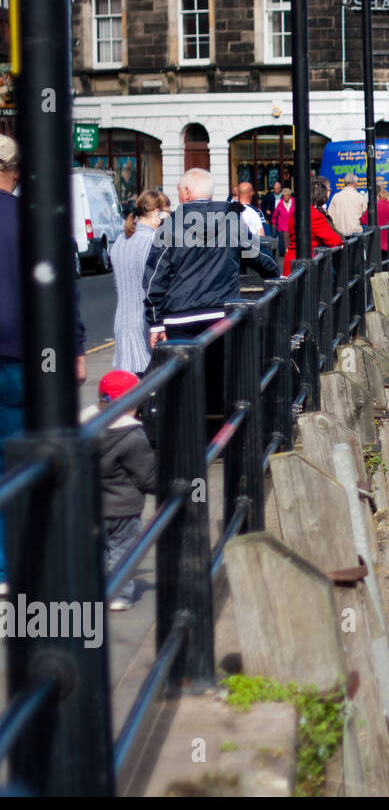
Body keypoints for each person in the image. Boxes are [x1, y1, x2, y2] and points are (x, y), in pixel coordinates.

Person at [1, 136, 87, 596]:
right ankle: (14, 567)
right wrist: (74, 347)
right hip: (23, 360)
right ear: (16, 172)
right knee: (21, 462)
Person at [143, 167, 277, 431]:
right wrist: (277, 275)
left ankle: (187, 440)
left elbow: (154, 279)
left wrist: (156, 322)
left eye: (180, 189)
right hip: (222, 314)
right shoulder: (230, 221)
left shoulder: (171, 226)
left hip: (180, 317)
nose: (178, 195)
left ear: (188, 192)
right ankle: (226, 436)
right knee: (223, 378)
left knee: (183, 381)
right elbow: (260, 259)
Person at [87, 370, 156, 612]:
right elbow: (147, 477)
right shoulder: (133, 437)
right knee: (123, 552)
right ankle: (118, 596)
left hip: (90, 507)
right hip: (124, 509)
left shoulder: (86, 430)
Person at [111, 190, 169, 374]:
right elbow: (157, 285)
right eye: (168, 211)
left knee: (129, 387)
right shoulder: (154, 240)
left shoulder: (120, 239)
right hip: (146, 324)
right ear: (157, 212)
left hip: (122, 322)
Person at [285, 177, 344, 275]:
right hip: (307, 263)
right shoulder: (314, 215)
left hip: (292, 260)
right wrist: (340, 242)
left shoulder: (296, 212)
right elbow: (333, 239)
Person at [359, 182, 389, 254]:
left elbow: (364, 221)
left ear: (378, 197)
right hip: (388, 240)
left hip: (375, 239)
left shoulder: (373, 207)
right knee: (387, 261)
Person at [271, 186, 294, 256]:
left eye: (287, 195)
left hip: (291, 224)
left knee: (290, 238)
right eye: (284, 195)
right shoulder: (280, 203)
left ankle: (288, 251)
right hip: (282, 225)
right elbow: (275, 214)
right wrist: (274, 222)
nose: (285, 197)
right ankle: (283, 252)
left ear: (289, 195)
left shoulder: (294, 202)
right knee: (282, 240)